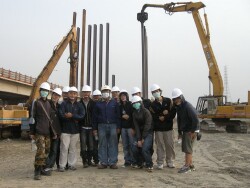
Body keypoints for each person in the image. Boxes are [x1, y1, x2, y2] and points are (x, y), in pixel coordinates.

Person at [29, 82, 54, 180]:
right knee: (40, 151)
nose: (45, 92)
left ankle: (43, 168)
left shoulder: (48, 103)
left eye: (46, 91)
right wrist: (31, 132)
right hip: (39, 131)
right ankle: (37, 171)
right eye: (43, 91)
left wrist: (53, 133)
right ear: (40, 91)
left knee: (47, 151)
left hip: (47, 132)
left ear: (48, 93)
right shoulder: (36, 102)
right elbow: (32, 118)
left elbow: (51, 119)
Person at [92, 85, 121, 169]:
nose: (105, 93)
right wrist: (94, 129)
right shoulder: (98, 104)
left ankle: (112, 162)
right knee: (102, 144)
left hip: (113, 125)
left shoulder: (115, 103)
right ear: (101, 93)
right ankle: (103, 162)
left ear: (110, 92)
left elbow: (118, 116)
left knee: (113, 144)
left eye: (107, 91)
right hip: (101, 126)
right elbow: (94, 117)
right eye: (104, 91)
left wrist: (118, 127)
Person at [171, 88, 199, 173]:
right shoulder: (179, 107)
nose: (176, 101)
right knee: (188, 148)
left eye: (177, 98)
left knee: (187, 149)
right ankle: (190, 165)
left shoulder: (187, 106)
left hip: (190, 130)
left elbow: (195, 118)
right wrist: (179, 132)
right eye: (175, 99)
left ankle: (187, 166)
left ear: (181, 97)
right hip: (186, 130)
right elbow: (179, 120)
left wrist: (193, 131)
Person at [149, 84, 176, 170]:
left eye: (157, 91)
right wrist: (159, 117)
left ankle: (170, 161)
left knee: (169, 145)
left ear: (160, 91)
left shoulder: (168, 101)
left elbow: (173, 113)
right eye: (153, 92)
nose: (155, 93)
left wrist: (166, 116)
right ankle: (160, 162)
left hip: (168, 128)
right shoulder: (152, 105)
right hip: (158, 129)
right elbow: (152, 116)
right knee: (159, 146)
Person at [58, 86, 85, 172]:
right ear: (68, 94)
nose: (72, 95)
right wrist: (72, 118)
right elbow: (61, 115)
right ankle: (62, 165)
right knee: (64, 148)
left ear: (77, 94)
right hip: (65, 130)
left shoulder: (79, 105)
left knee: (73, 148)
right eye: (70, 93)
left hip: (75, 131)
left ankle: (72, 164)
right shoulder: (63, 104)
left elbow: (82, 116)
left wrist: (72, 115)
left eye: (74, 93)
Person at [131, 96, 154, 172]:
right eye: (133, 103)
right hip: (139, 134)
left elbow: (148, 125)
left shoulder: (146, 112)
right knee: (134, 147)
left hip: (148, 133)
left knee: (145, 149)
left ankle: (149, 164)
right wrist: (139, 139)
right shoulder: (134, 113)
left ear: (140, 103)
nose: (135, 104)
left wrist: (143, 138)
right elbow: (136, 127)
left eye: (136, 103)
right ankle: (139, 163)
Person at [44, 88, 62, 171]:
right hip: (49, 132)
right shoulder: (47, 104)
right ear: (52, 95)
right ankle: (47, 166)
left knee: (55, 150)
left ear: (59, 97)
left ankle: (50, 166)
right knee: (49, 150)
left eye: (57, 95)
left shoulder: (59, 106)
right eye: (54, 95)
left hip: (57, 132)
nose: (55, 97)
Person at [79, 85, 96, 167]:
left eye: (87, 92)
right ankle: (84, 162)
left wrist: (94, 127)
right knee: (83, 146)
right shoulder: (79, 103)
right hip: (82, 128)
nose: (86, 94)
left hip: (91, 128)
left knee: (91, 146)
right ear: (82, 93)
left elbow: (95, 116)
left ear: (90, 93)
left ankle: (89, 161)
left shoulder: (93, 103)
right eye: (84, 92)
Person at [119, 89, 135, 167]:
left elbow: (133, 116)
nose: (123, 97)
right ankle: (127, 161)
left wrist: (129, 117)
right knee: (125, 145)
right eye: (121, 96)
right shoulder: (119, 105)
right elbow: (117, 115)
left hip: (130, 128)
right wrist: (122, 116)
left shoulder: (130, 104)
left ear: (127, 96)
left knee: (132, 144)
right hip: (123, 128)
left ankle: (133, 160)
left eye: (124, 96)